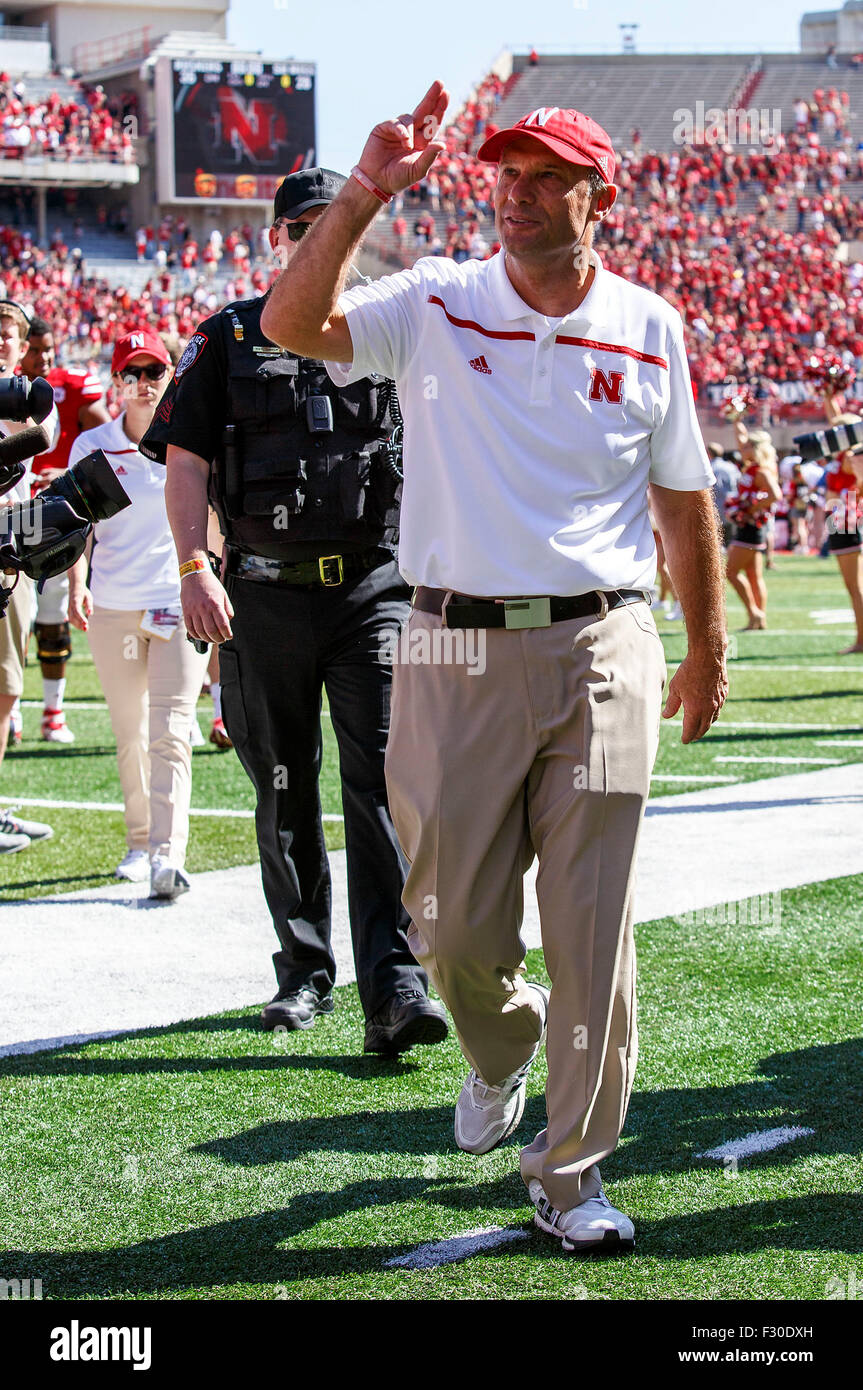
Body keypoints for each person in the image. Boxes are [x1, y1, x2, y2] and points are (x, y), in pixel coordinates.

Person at [260, 87, 727, 1254]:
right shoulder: (433, 301)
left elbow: (682, 498)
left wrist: (706, 644)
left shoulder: (650, 323)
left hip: (602, 641)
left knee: (592, 926)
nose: (513, 194)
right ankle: (500, 1045)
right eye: (502, 175)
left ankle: (570, 1172)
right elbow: (290, 324)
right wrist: (365, 189)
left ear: (597, 196)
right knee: (451, 930)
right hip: (446, 636)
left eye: (542, 176)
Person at [140, 168, 448, 1058]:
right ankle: (304, 970)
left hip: (372, 590)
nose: (319, 237)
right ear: (275, 239)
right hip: (262, 595)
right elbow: (186, 461)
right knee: (283, 790)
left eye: (333, 224)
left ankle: (394, 983)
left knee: (386, 784)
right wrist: (195, 565)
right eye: (301, 225)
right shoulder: (229, 335)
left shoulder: (391, 330)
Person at [66, 328, 209, 897]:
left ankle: (168, 856)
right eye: (133, 372)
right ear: (117, 382)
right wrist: (78, 583)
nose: (144, 383)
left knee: (171, 732)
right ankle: (139, 840)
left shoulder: (191, 441)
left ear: (171, 377)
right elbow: (79, 526)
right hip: (114, 607)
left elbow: (211, 521)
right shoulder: (92, 448)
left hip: (178, 605)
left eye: (154, 372)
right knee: (130, 733)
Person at [20, 314, 109, 744]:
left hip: (51, 514)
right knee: (16, 619)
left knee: (52, 616)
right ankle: (15, 708)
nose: (43, 357)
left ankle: (52, 712)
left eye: (47, 348)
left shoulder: (68, 386)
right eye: (34, 348)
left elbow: (104, 442)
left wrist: (64, 472)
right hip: (12, 511)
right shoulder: (10, 389)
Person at [0, 299, 58, 852]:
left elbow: (36, 430)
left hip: (7, 555)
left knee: (5, 689)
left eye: (7, 334)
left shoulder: (27, 398)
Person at [723, 411, 782, 629]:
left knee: (730, 572)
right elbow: (740, 437)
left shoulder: (762, 471)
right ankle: (758, 619)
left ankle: (755, 612)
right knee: (754, 576)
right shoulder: (752, 467)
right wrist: (736, 419)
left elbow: (776, 495)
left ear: (756, 450)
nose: (742, 448)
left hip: (751, 527)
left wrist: (749, 509)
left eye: (747, 447)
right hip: (751, 528)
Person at [820, 392, 863, 653]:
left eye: (837, 431)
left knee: (854, 586)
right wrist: (828, 393)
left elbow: (859, 485)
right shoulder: (842, 455)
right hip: (839, 519)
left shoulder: (851, 457)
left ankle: (861, 640)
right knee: (853, 586)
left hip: (845, 521)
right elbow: (835, 416)